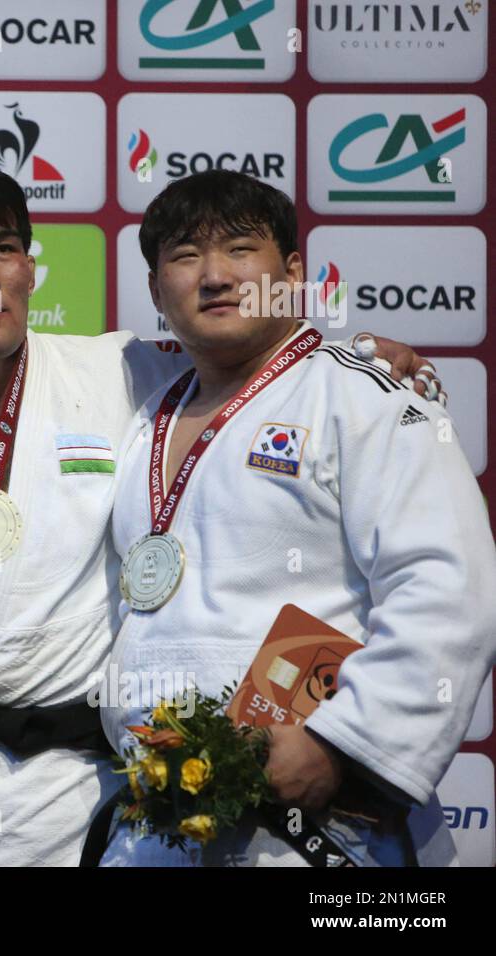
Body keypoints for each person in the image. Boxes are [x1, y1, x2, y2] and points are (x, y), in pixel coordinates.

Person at [0, 162, 444, 867]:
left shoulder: (123, 372)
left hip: (89, 798)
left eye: (5, 249)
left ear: (30, 269)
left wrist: (364, 361)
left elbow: (258, 359)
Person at [96, 169, 495, 866]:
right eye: (186, 256)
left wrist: (340, 746)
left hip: (324, 820)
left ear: (292, 273)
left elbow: (447, 586)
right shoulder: (141, 418)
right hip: (160, 816)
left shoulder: (365, 398)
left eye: (240, 250)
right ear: (156, 291)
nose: (215, 276)